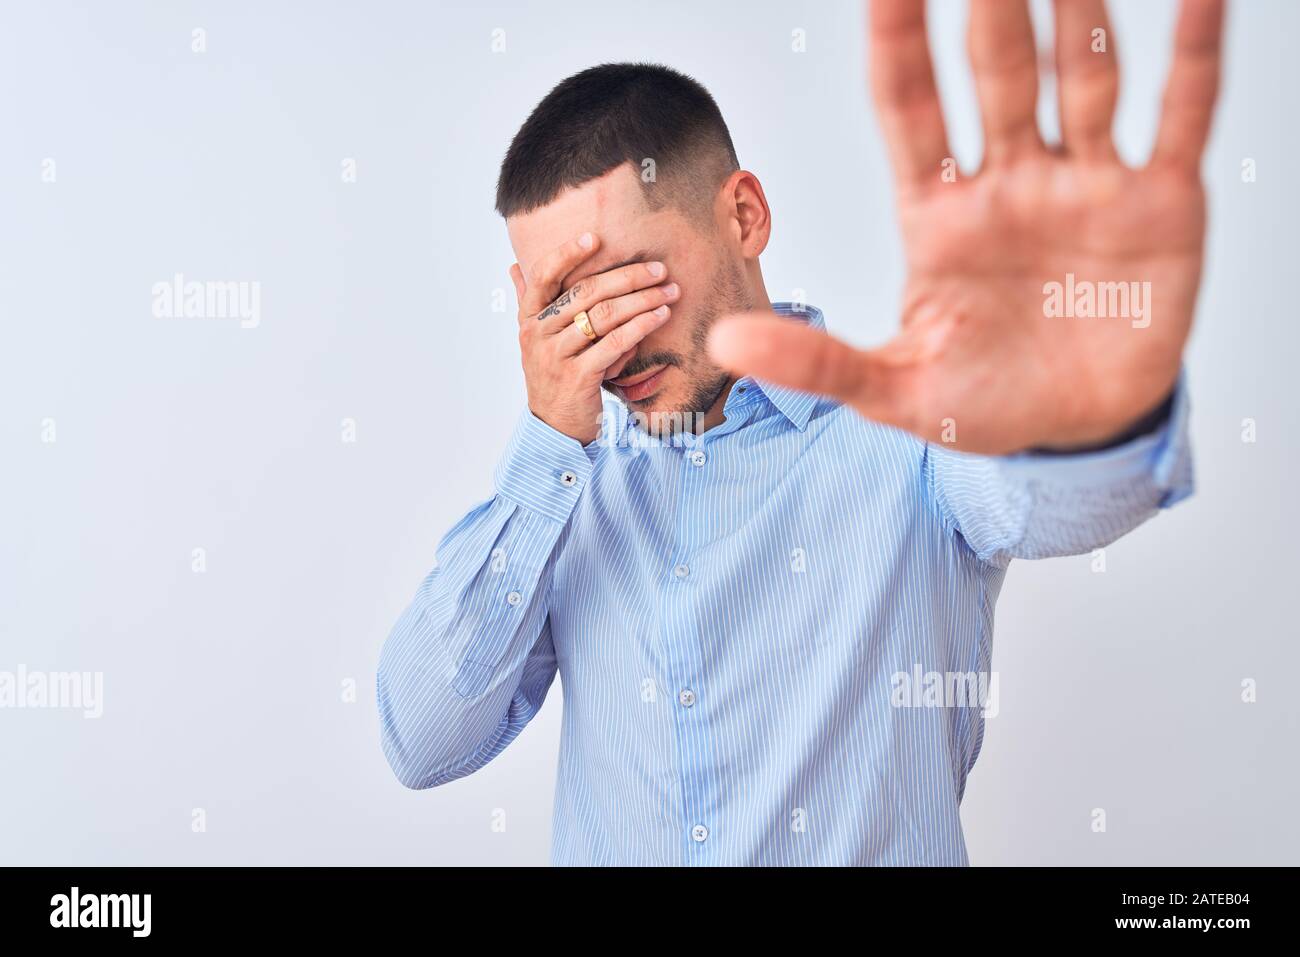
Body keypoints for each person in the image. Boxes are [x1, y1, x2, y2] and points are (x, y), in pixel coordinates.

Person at [376, 0, 1223, 865]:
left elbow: (1066, 500)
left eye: (625, 281)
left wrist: (1092, 405)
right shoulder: (563, 493)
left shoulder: (910, 433)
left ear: (743, 218)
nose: (607, 339)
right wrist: (548, 443)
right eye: (565, 306)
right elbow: (423, 740)